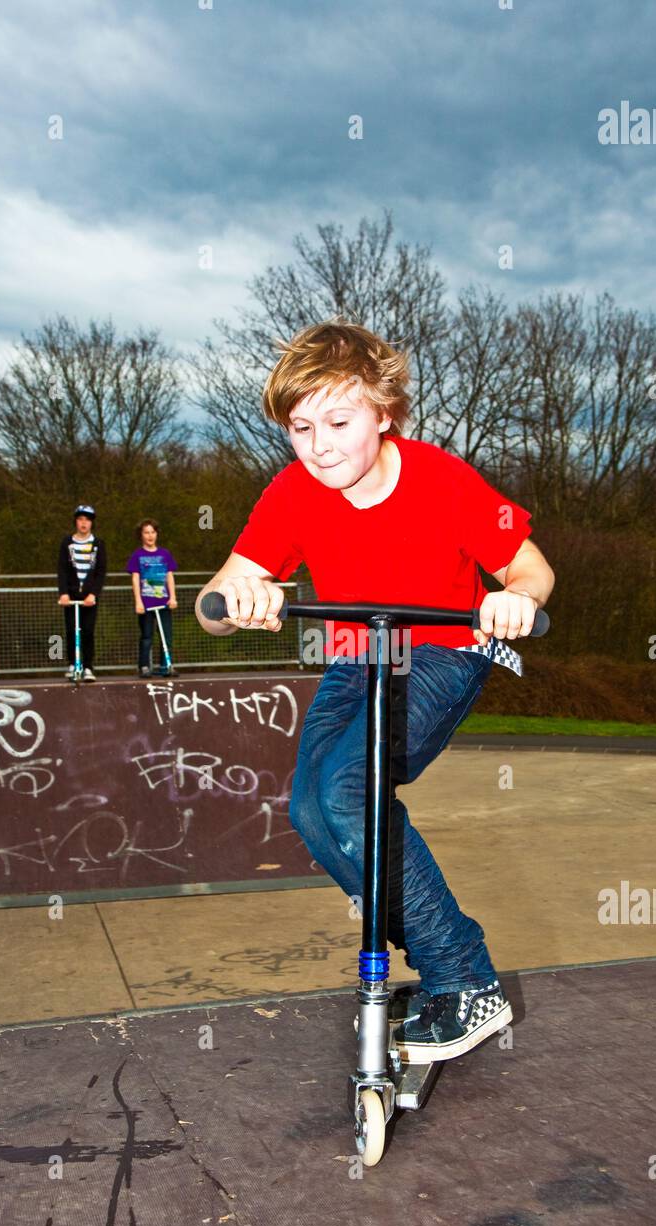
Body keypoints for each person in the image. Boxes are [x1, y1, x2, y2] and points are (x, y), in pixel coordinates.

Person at [195, 320, 555, 1063]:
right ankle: (429, 944)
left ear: (384, 411)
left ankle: (466, 980)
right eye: (300, 428)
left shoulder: (444, 479)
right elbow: (219, 596)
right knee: (309, 805)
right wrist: (238, 602)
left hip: (443, 653)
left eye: (338, 421)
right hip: (356, 660)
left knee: (348, 791)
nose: (320, 445)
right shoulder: (294, 492)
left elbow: (531, 569)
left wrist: (513, 599)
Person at [57, 504, 107, 681]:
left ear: (92, 523)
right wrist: (63, 593)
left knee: (88, 631)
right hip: (71, 596)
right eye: (80, 519)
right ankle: (72, 663)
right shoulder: (67, 543)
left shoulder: (98, 544)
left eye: (87, 520)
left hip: (89, 597)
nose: (83, 523)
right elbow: (62, 569)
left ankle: (88, 666)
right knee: (71, 630)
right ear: (76, 522)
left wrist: (93, 593)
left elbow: (101, 572)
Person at [126, 520, 178, 676]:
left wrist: (173, 597)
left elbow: (170, 576)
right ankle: (144, 666)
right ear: (141, 535)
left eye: (152, 532)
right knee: (146, 636)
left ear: (156, 534)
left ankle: (166, 665)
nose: (150, 536)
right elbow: (135, 579)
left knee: (166, 636)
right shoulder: (137, 555)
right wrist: (138, 602)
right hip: (146, 603)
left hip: (164, 602)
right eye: (146, 532)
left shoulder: (165, 554)